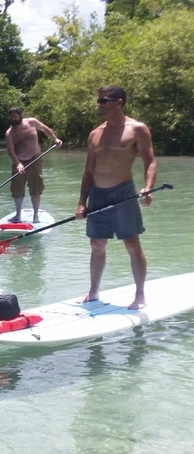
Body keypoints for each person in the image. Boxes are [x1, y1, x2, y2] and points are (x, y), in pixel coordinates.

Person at [76, 85, 157, 310]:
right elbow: (88, 171)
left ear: (119, 102)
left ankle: (140, 295)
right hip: (98, 194)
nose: (99, 105)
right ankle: (93, 292)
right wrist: (82, 202)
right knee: (97, 243)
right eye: (99, 100)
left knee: (131, 243)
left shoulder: (138, 129)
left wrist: (147, 187)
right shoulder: (95, 134)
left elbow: (149, 161)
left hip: (123, 192)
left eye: (104, 101)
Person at [5, 106, 63, 223]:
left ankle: (35, 216)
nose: (13, 119)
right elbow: (10, 151)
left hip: (35, 160)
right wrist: (18, 164)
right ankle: (18, 215)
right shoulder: (9, 133)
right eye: (11, 117)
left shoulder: (32, 122)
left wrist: (55, 139)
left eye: (15, 117)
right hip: (19, 163)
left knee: (35, 189)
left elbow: (44, 128)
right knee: (17, 190)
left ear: (21, 116)